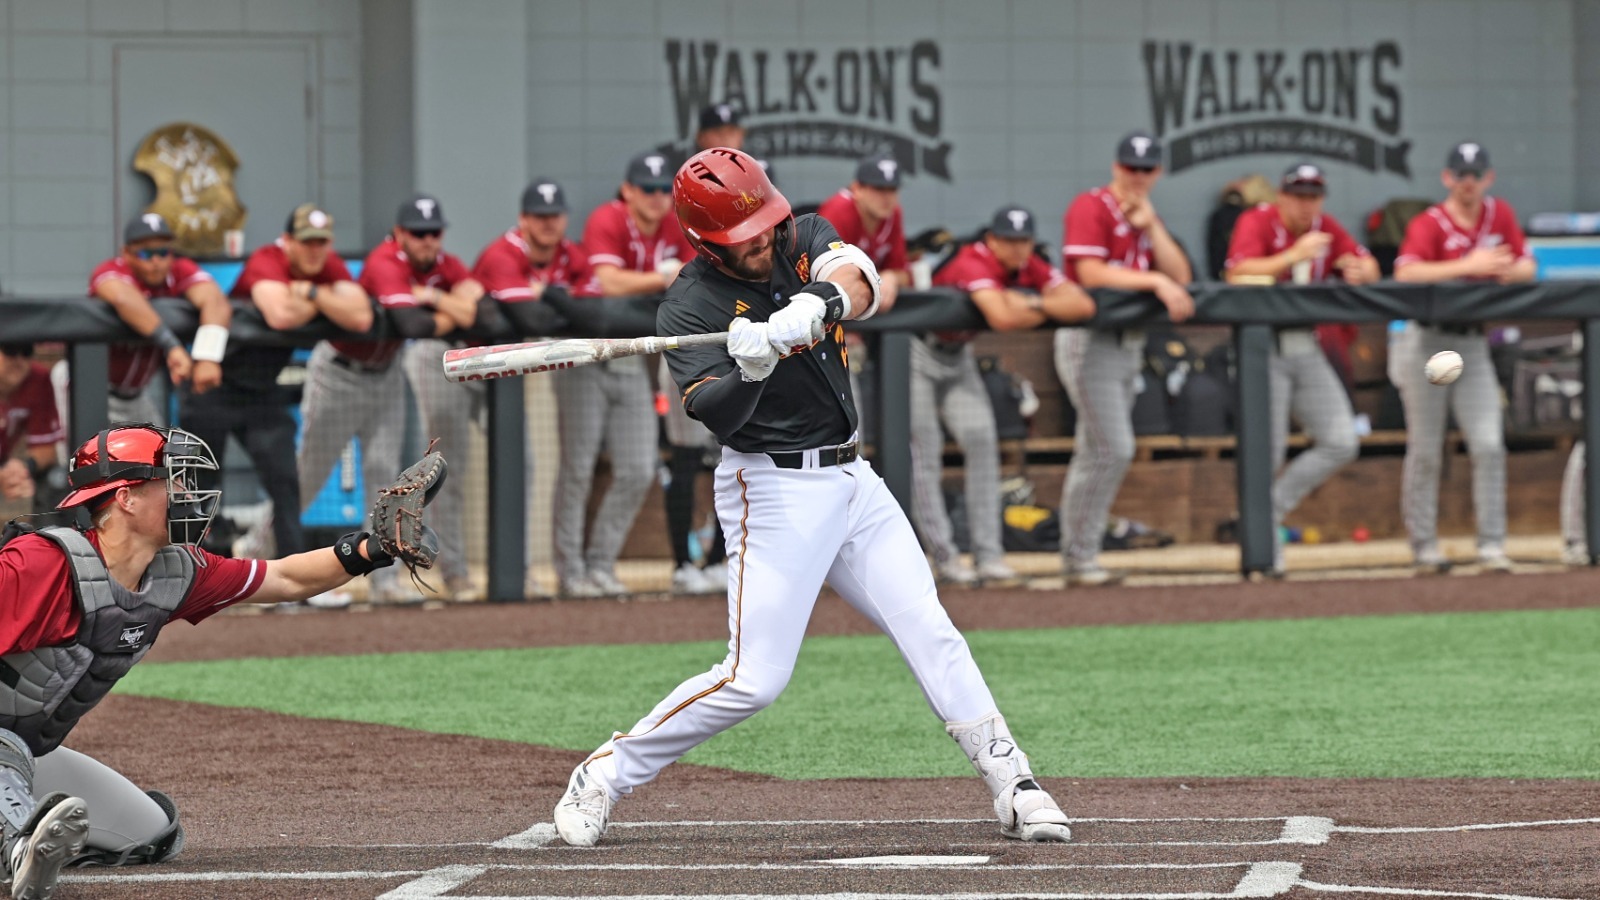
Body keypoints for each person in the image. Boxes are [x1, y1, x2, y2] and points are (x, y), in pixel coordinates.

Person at [552, 147, 1073, 849]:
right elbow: (716, 414)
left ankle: (1014, 782)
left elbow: (862, 281)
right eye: (744, 236)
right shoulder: (688, 306)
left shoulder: (799, 235)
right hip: (772, 487)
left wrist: (817, 303)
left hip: (853, 479)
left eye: (764, 224)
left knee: (929, 627)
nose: (763, 241)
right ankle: (604, 773)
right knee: (754, 679)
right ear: (707, 241)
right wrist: (751, 367)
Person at [0, 423, 438, 899]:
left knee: (148, 833)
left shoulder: (174, 573)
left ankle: (23, 833)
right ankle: (19, 849)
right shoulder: (39, 563)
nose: (188, 494)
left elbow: (286, 578)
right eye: (173, 482)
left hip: (24, 755)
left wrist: (374, 548)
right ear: (125, 497)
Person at [298, 194, 480, 603]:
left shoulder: (445, 265)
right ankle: (256, 560)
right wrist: (450, 307)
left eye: (433, 232)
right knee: (306, 478)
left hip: (386, 374)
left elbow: (475, 313)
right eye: (418, 233)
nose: (427, 240)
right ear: (400, 233)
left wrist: (434, 298)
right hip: (340, 373)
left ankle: (384, 582)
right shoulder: (385, 261)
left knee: (386, 479)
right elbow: (410, 322)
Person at [179, 204, 372, 587]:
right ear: (288, 242)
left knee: (286, 482)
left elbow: (361, 317)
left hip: (262, 393)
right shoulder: (267, 259)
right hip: (213, 386)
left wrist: (311, 292)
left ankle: (297, 584)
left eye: (321, 242)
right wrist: (325, 301)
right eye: (306, 242)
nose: (315, 251)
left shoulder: (326, 267)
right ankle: (193, 581)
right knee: (199, 486)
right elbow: (280, 315)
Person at [924, 207, 1095, 585]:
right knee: (925, 454)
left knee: (983, 442)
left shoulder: (1028, 263)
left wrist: (1032, 303)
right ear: (991, 239)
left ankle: (989, 558)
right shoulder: (972, 260)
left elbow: (1082, 305)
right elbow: (1002, 318)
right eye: (1008, 240)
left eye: (1024, 240)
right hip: (916, 351)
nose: (1017, 248)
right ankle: (945, 560)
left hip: (958, 355)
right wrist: (1036, 306)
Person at [1055, 132, 1195, 586]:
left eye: (1146, 169)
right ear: (1117, 167)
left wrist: (1152, 226)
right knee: (1113, 448)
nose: (1137, 176)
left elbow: (1181, 275)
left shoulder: (1144, 215)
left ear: (1158, 172)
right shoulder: (1091, 205)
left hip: (1127, 344)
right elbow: (1089, 273)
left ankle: (1080, 556)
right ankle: (1080, 556)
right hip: (1089, 340)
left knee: (1096, 451)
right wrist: (1154, 281)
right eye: (1131, 167)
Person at [1225, 162, 1378, 576]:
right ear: (1282, 196)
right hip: (1262, 348)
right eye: (1297, 195)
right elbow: (1237, 273)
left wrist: (1361, 270)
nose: (1305, 204)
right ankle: (1263, 551)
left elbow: (1367, 265)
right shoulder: (1258, 221)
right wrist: (1292, 256)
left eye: (1313, 196)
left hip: (1306, 346)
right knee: (1268, 451)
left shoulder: (1326, 227)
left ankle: (1266, 513)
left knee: (1341, 439)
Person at [555, 152, 691, 597]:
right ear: (628, 190)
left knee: (638, 467)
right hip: (586, 353)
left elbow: (695, 276)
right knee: (578, 468)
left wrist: (663, 279)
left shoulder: (675, 222)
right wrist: (661, 277)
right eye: (646, 189)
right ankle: (570, 572)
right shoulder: (608, 217)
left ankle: (600, 564)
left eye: (663, 190)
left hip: (631, 355)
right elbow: (608, 281)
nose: (656, 197)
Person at [1391, 142, 1532, 575]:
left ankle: (1491, 546)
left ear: (1487, 178)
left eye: (1475, 175)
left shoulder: (1499, 214)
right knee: (1427, 449)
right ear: (1446, 178)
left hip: (1473, 343)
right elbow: (1406, 272)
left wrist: (1505, 270)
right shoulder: (1430, 221)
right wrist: (1468, 265)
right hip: (1428, 342)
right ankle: (1424, 548)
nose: (1468, 183)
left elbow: (1527, 266)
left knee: (1488, 444)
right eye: (1460, 175)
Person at [471, 179, 596, 595]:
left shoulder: (570, 254)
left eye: (554, 215)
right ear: (523, 219)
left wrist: (549, 294)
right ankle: (449, 573)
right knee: (438, 471)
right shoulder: (502, 253)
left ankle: (517, 572)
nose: (547, 223)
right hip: (456, 362)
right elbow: (533, 320)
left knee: (521, 465)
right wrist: (562, 299)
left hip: (503, 373)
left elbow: (595, 313)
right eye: (539, 216)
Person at [87, 214, 231, 424]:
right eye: (146, 253)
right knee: (82, 445)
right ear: (126, 253)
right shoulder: (113, 269)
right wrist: (172, 346)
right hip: (88, 389)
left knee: (159, 446)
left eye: (163, 252)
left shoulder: (179, 270)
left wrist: (208, 356)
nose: (156, 261)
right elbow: (122, 297)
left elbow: (215, 300)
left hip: (135, 398)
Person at [0, 346, 64, 510]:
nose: (19, 360)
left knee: (55, 477)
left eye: (26, 351)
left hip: (6, 468)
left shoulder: (37, 378)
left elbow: (46, 449)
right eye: (10, 351)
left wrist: (23, 468)